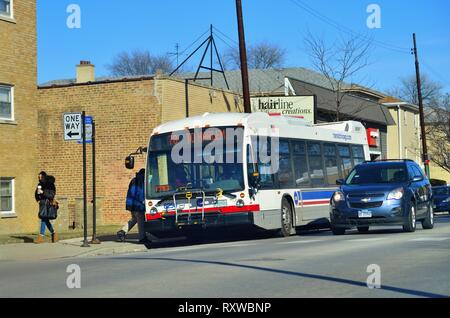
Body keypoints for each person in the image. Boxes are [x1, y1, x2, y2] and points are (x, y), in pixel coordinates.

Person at [117, 169, 147, 243]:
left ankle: (122, 232)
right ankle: (142, 238)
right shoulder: (141, 181)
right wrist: (143, 201)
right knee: (141, 221)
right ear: (144, 174)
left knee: (134, 219)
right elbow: (139, 192)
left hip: (132, 204)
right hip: (138, 204)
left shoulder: (134, 180)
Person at [34, 171, 58, 244]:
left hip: (48, 204)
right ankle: (54, 233)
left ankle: (41, 237)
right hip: (42, 204)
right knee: (45, 219)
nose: (39, 178)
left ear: (44, 176)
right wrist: (38, 199)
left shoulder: (50, 185)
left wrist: (43, 192)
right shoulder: (39, 184)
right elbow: (36, 193)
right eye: (38, 177)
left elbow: (51, 195)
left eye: (40, 176)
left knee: (43, 219)